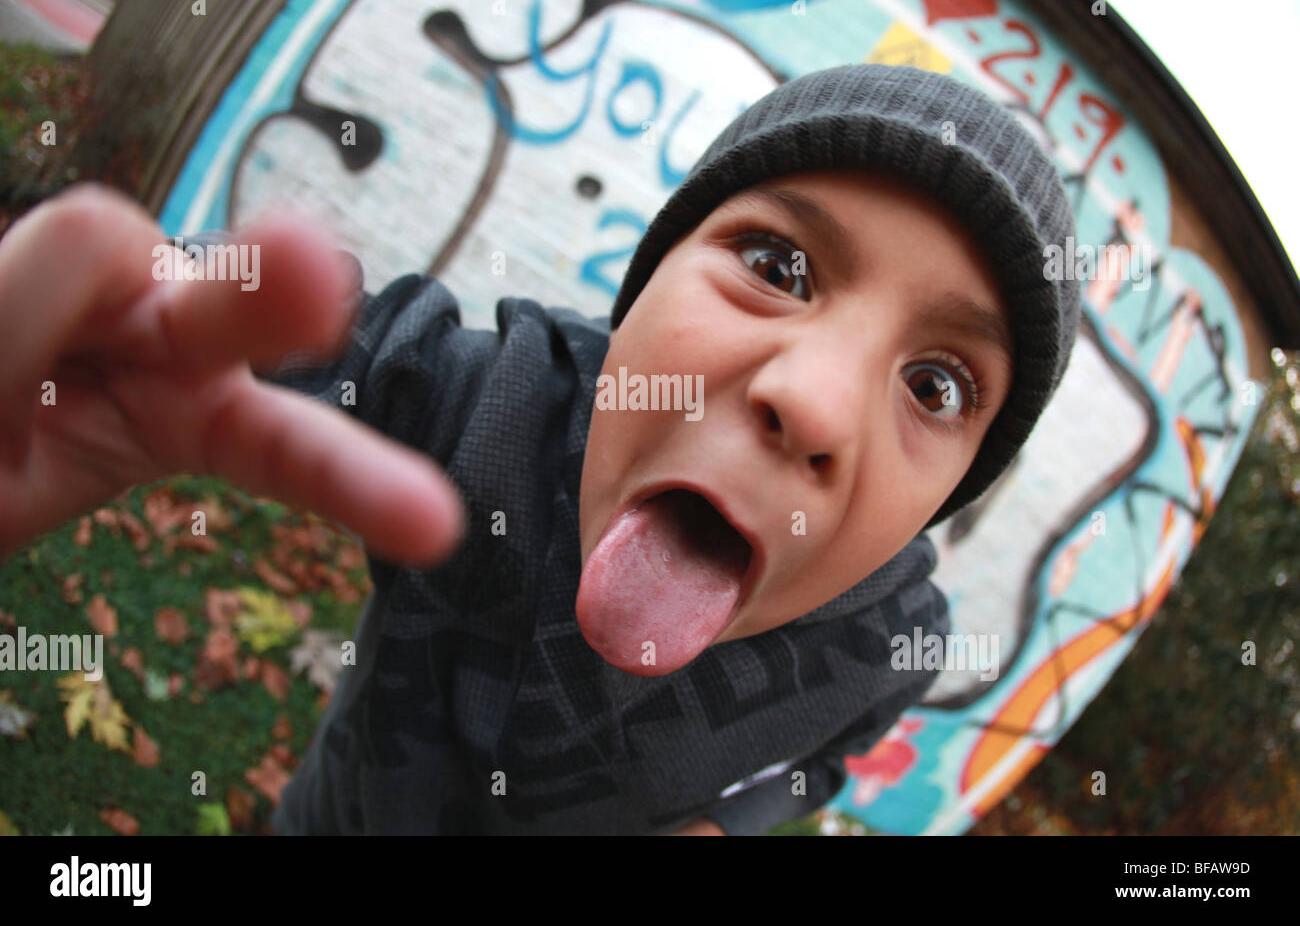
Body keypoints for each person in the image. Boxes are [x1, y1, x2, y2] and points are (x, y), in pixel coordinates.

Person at [0, 64, 1080, 834]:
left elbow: (827, 761)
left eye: (935, 385)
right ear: (646, 286)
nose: (813, 404)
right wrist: (110, 326)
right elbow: (329, 345)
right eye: (777, 264)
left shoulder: (892, 640)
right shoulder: (497, 410)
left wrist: (729, 820)